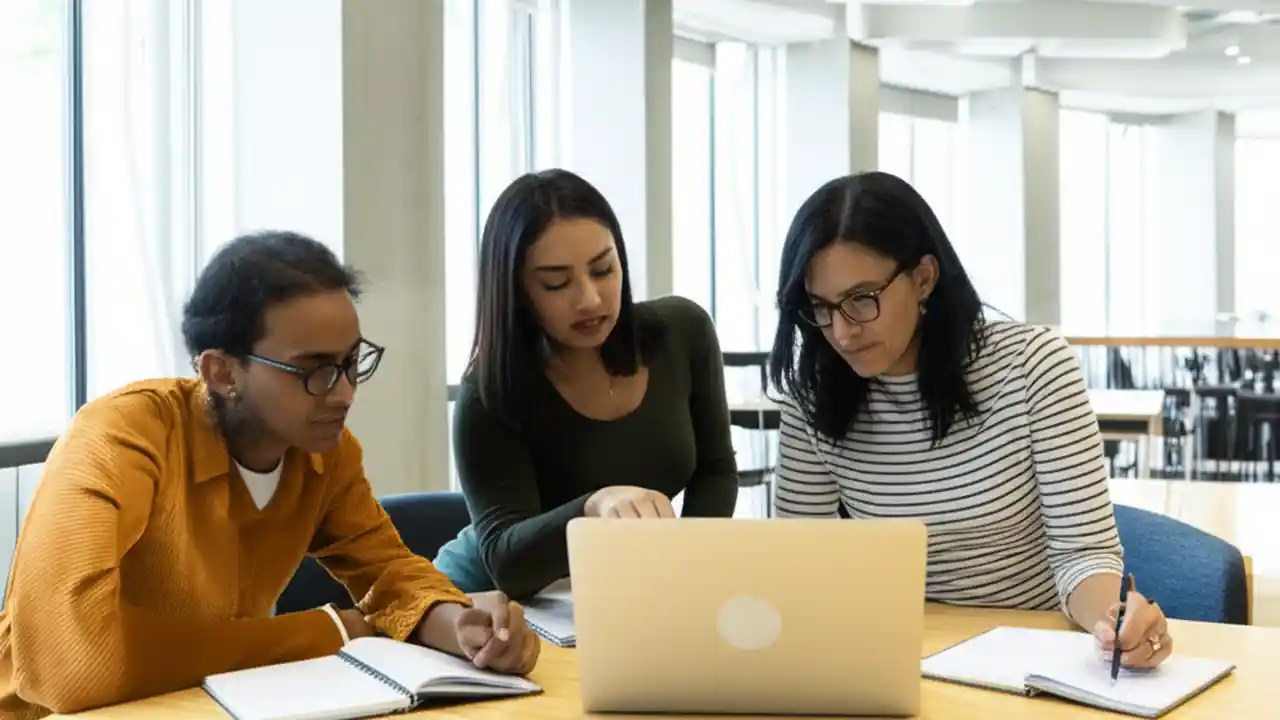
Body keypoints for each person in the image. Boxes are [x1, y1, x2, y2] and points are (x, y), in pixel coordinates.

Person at [0, 232, 540, 719]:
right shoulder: (122, 437)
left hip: (203, 704)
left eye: (353, 363)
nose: (345, 392)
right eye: (314, 371)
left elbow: (388, 573)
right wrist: (328, 631)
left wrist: (460, 626)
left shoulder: (325, 454)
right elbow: (67, 665)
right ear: (222, 371)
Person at [769, 172, 1172, 670]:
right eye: (821, 308)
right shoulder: (812, 397)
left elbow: (1082, 554)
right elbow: (799, 566)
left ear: (923, 278)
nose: (843, 331)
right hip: (895, 660)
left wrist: (1112, 621)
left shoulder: (1032, 366)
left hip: (1031, 658)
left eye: (861, 298)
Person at [433, 169, 739, 599]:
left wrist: (684, 566)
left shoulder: (683, 331)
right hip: (486, 602)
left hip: (613, 595)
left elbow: (715, 472)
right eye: (556, 283)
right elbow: (507, 564)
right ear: (517, 290)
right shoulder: (489, 392)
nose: (590, 299)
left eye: (603, 269)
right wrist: (593, 506)